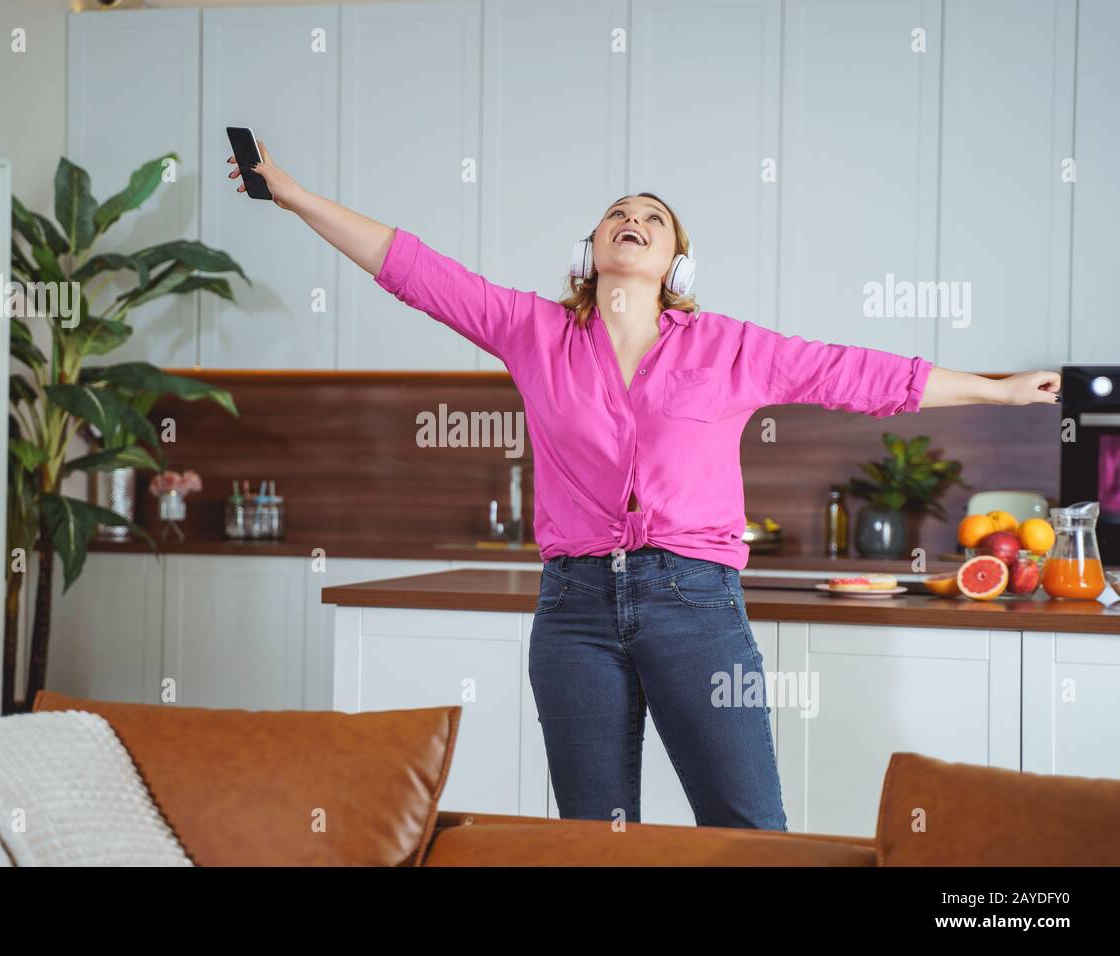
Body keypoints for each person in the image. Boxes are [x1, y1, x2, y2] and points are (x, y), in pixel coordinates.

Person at [229, 143, 1061, 830]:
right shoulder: (534, 332)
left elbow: (854, 372)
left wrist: (995, 389)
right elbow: (412, 268)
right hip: (572, 613)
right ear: (589, 250)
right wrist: (295, 196)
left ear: (678, 264)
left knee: (747, 832)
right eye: (619, 214)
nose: (634, 222)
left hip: (694, 603)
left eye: (653, 219)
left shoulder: (728, 348)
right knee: (595, 840)